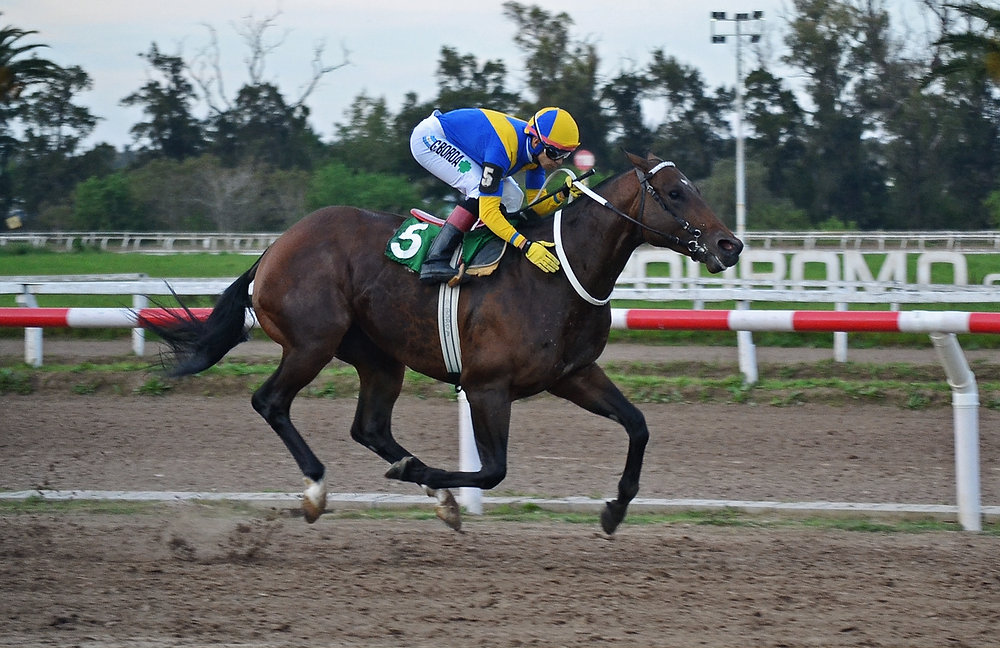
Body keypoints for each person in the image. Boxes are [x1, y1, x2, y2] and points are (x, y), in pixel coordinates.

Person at [409, 106, 580, 284]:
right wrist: (525, 245)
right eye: (554, 154)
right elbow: (488, 212)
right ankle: (436, 259)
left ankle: (488, 248)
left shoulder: (537, 154)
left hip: (466, 142)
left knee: (514, 196)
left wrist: (562, 194)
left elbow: (535, 206)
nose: (559, 162)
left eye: (565, 155)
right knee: (477, 188)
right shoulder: (503, 148)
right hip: (430, 138)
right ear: (536, 143)